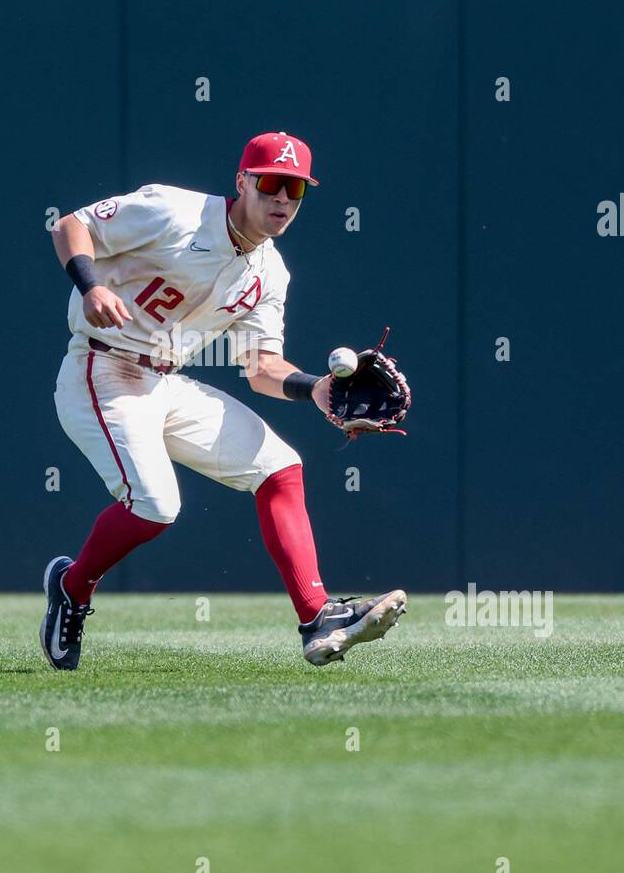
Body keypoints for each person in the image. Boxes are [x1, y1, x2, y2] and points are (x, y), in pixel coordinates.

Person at [42, 131, 406, 670]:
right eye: (272, 184)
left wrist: (317, 389)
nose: (283, 199)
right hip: (102, 367)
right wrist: (91, 285)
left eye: (296, 190)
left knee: (280, 466)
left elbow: (261, 369)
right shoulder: (174, 210)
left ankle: (317, 618)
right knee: (157, 506)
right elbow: (70, 225)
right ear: (242, 182)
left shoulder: (270, 272)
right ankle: (72, 587)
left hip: (164, 382)